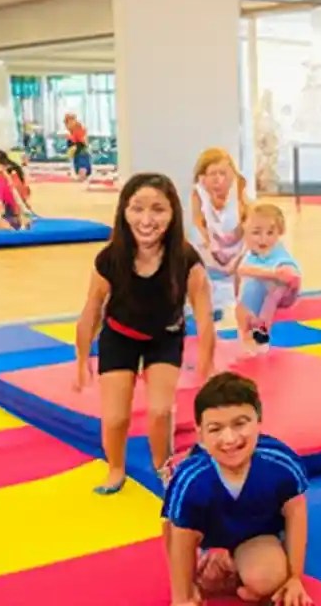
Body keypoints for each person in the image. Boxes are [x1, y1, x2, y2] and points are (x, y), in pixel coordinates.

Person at [73, 173, 217, 494]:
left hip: (164, 338)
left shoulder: (185, 259)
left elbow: (205, 316)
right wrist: (82, 357)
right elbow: (91, 310)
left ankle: (163, 466)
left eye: (158, 210)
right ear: (124, 211)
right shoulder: (110, 258)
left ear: (173, 213)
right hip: (119, 337)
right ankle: (115, 468)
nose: (147, 220)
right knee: (114, 418)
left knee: (161, 411)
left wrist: (206, 364)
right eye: (137, 209)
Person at [161, 372, 312, 606]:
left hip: (256, 534)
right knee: (176, 522)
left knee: (267, 579)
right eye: (215, 429)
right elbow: (175, 531)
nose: (229, 439)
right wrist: (182, 595)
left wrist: (295, 578)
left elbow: (296, 513)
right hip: (207, 531)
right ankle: (214, 557)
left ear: (259, 422)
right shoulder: (191, 477)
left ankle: (229, 563)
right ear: (200, 433)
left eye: (240, 424)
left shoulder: (280, 462)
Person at [191, 147, 250, 321]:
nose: (218, 179)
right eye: (213, 174)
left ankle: (243, 302)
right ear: (203, 177)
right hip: (213, 246)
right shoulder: (199, 193)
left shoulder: (239, 191)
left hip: (236, 245)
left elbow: (248, 221)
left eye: (223, 173)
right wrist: (210, 243)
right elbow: (197, 222)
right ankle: (206, 298)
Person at [235, 202, 302, 353]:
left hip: (285, 294)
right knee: (242, 306)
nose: (263, 239)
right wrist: (271, 274)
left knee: (274, 290)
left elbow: (290, 273)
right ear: (246, 233)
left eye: (270, 233)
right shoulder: (251, 254)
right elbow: (242, 270)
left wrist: (283, 274)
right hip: (262, 291)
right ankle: (246, 335)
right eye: (256, 233)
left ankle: (262, 331)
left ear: (280, 233)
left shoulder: (278, 253)